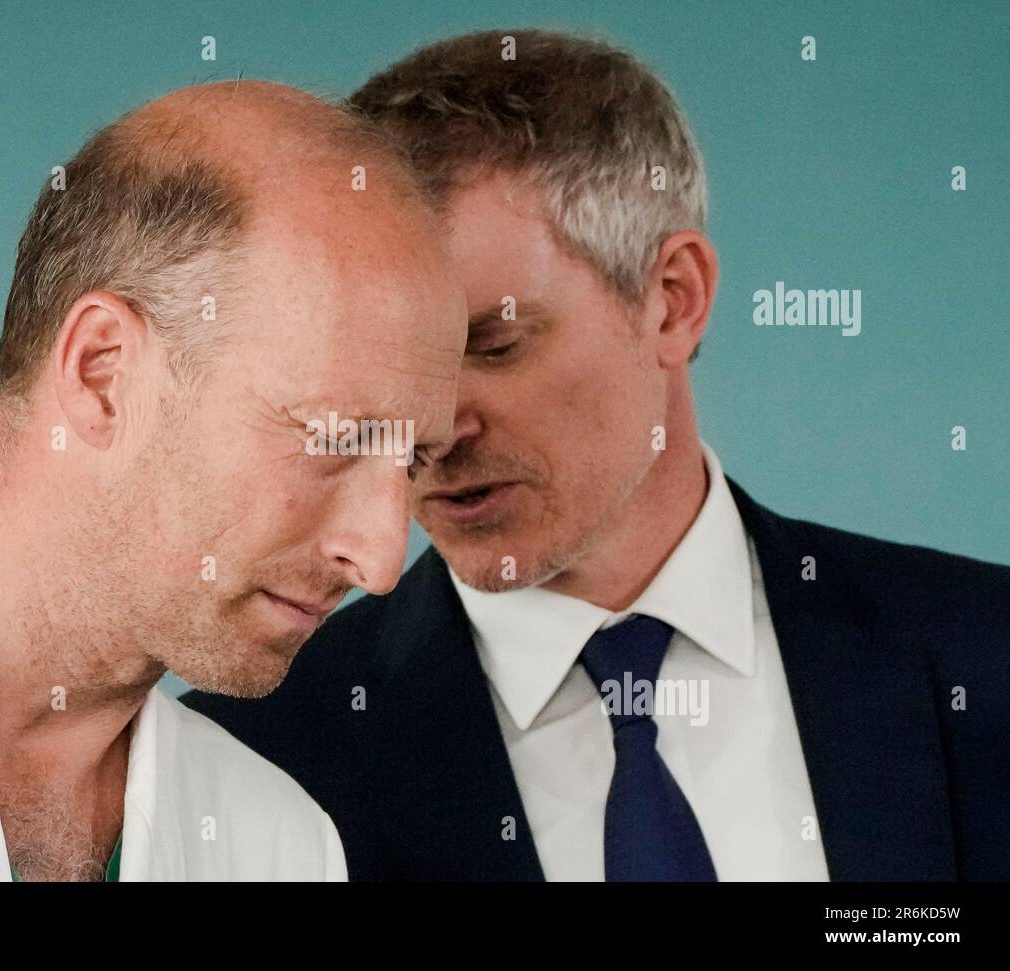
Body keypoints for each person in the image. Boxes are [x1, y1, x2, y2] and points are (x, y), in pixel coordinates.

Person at [183, 31, 1010, 881]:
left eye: (494, 344)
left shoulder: (987, 656)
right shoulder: (244, 767)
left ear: (672, 300)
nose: (428, 431)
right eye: (386, 369)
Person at [0, 80, 466, 881]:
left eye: (411, 460)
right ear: (104, 373)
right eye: (333, 440)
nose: (382, 559)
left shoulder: (278, 844)